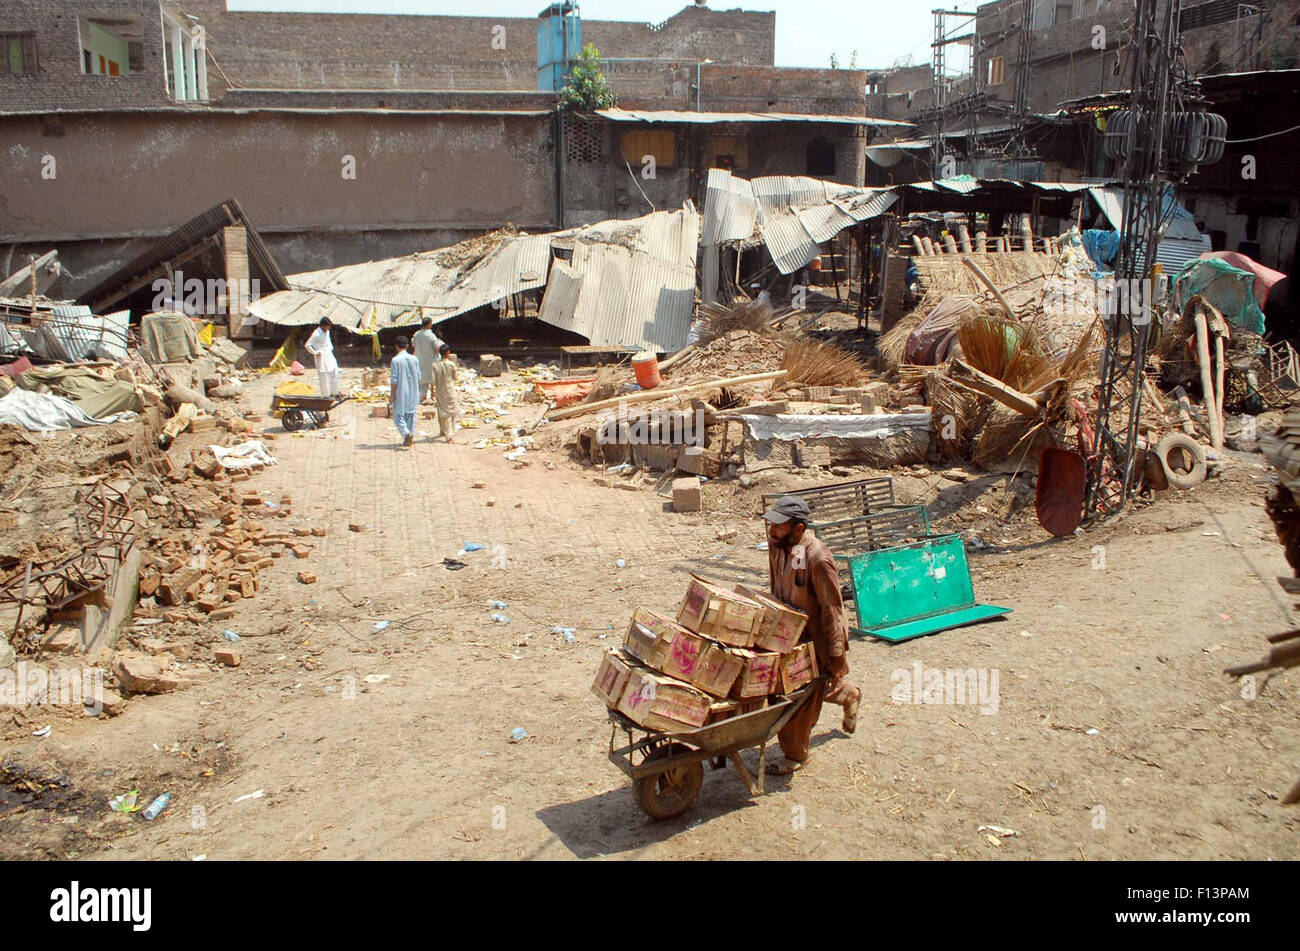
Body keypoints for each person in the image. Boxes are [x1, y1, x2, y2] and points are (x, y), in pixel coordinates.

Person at [762, 495, 862, 774]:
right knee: (808, 687)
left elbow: (833, 608)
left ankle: (795, 756)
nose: (772, 531)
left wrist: (836, 653)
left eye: (779, 526)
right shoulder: (778, 546)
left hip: (813, 641)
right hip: (787, 636)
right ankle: (849, 694)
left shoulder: (818, 558)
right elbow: (776, 586)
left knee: (798, 699)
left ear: (798, 528)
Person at [389, 335, 421, 448]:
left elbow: (394, 379)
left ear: (396, 346)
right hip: (414, 390)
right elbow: (418, 376)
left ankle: (406, 434)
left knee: (398, 415)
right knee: (411, 415)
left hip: (401, 391)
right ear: (407, 346)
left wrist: (392, 394)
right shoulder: (414, 359)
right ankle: (409, 436)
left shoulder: (395, 360)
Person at [430, 343, 459, 442]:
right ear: (448, 353)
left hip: (440, 391)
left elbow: (432, 381)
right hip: (450, 390)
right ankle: (450, 434)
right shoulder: (451, 364)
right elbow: (455, 378)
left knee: (442, 412)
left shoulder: (435, 365)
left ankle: (443, 430)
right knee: (452, 412)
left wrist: (432, 392)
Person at [303, 318, 340, 397]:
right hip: (321, 356)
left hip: (329, 354)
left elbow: (328, 341)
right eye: (327, 326)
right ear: (323, 326)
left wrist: (330, 348)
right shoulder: (316, 334)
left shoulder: (327, 332)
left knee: (334, 372)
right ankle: (326, 395)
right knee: (324, 376)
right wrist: (315, 353)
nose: (329, 328)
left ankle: (335, 392)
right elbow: (307, 345)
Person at [412, 316, 444, 405]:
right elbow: (436, 348)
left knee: (423, 381)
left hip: (420, 360)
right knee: (433, 379)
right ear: (429, 324)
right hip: (431, 360)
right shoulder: (431, 336)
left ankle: (422, 397)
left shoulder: (416, 334)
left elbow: (413, 345)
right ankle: (434, 396)